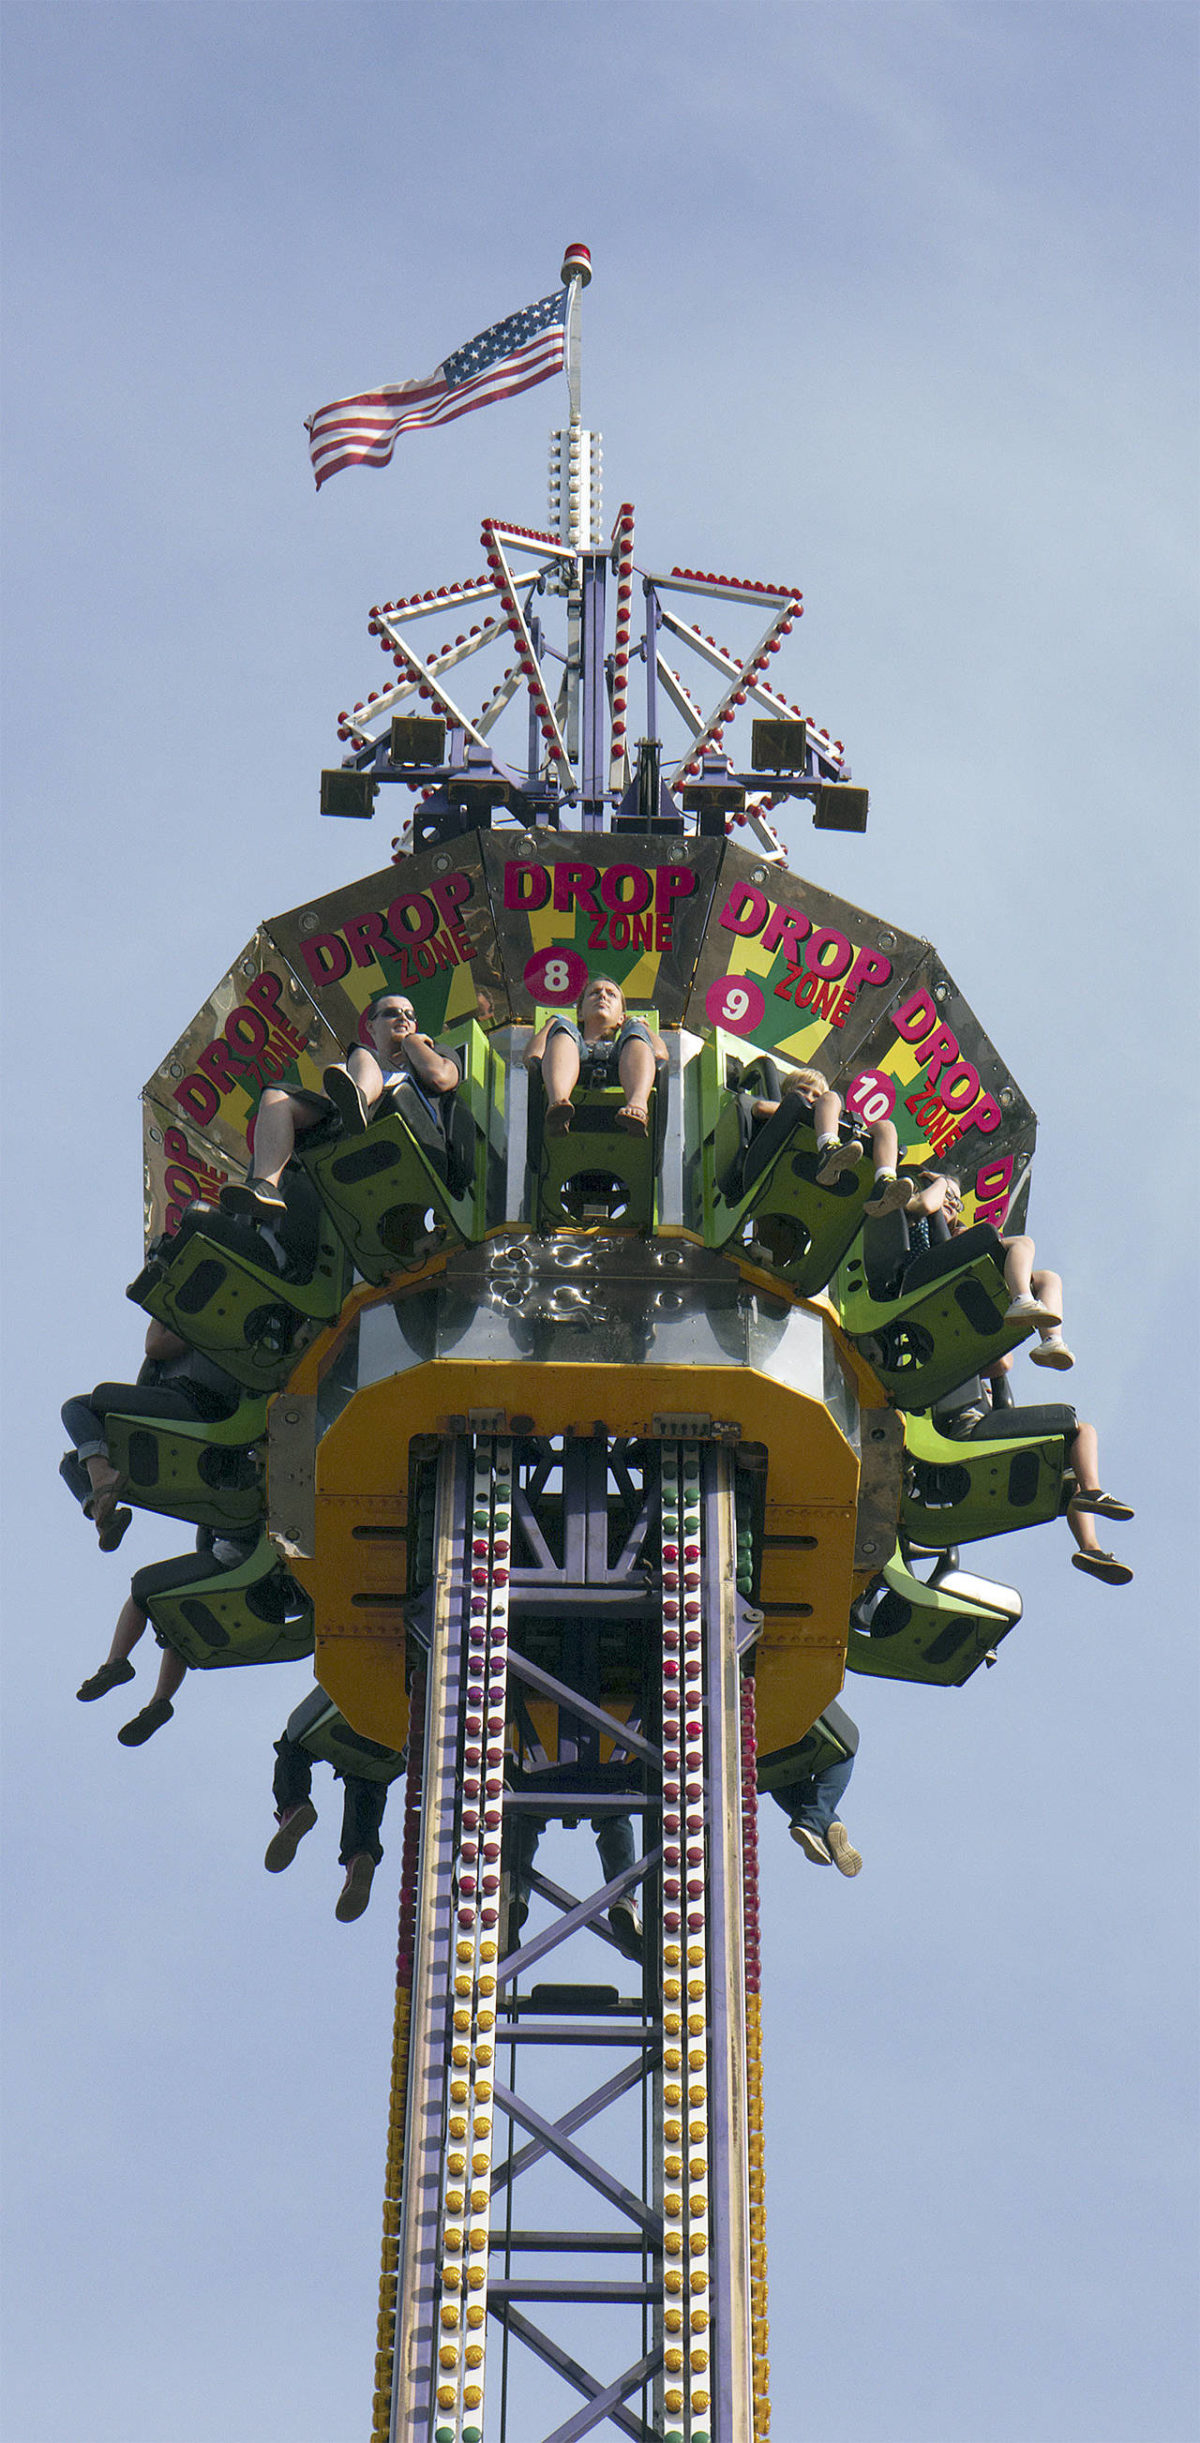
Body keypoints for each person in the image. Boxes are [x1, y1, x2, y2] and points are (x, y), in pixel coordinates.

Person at [221, 990, 460, 1223]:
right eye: (392, 1013)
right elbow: (327, 1109)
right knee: (276, 1096)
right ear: (371, 1026)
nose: (403, 1018)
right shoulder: (351, 1069)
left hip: (414, 1132)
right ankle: (265, 1186)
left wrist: (412, 1043)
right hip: (352, 1131)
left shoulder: (432, 1052)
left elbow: (441, 1077)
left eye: (410, 1015)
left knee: (360, 1054)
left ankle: (361, 1101)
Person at [61, 1323, 243, 1552]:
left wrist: (157, 1316)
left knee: (76, 1408)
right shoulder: (183, 1322)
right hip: (177, 1404)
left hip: (196, 1403)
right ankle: (104, 1514)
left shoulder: (201, 1320)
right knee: (71, 1465)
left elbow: (155, 1346)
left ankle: (103, 1482)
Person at [959, 1353, 1134, 1586]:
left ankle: (1091, 1548)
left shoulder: (970, 1378)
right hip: (972, 1435)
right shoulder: (957, 1367)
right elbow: (1002, 1363)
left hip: (986, 1437)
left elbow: (1002, 1393)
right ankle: (1093, 1492)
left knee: (1073, 1480)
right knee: (1082, 1430)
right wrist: (1005, 1341)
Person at [75, 1525, 259, 1742]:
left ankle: (116, 1662)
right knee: (180, 1623)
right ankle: (159, 1701)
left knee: (141, 1587)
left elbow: (207, 1531)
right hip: (260, 1588)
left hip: (229, 1560)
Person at [898, 1169, 1075, 1367]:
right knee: (1021, 1243)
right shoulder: (914, 1215)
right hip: (919, 1279)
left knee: (1048, 1278)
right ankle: (1021, 1299)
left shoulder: (953, 1232)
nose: (951, 1203)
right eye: (947, 1195)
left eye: (956, 1202)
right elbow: (927, 1205)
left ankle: (1051, 1342)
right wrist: (940, 1181)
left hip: (952, 1278)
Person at [265, 1717, 395, 1923]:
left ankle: (294, 1805)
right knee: (368, 1779)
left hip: (357, 1706)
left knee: (293, 1743)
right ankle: (359, 1854)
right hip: (397, 1729)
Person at [750, 1067, 914, 1219]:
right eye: (803, 1090)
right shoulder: (782, 1108)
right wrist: (796, 1109)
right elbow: (760, 1108)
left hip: (830, 1170)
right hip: (778, 1163)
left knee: (886, 1126)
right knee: (832, 1097)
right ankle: (828, 1150)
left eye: (816, 1096)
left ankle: (884, 1183)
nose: (809, 1097)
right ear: (786, 1093)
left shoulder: (827, 1117)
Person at [526, 976, 667, 1140]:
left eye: (611, 994)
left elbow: (659, 1055)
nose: (603, 996)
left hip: (621, 1064)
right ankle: (558, 1104)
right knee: (563, 1030)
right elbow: (533, 1056)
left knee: (636, 1034)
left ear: (621, 1018)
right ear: (579, 1012)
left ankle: (637, 1105)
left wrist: (638, 1025)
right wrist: (553, 1022)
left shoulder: (628, 1042)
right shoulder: (569, 1037)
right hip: (576, 1058)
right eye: (594, 993)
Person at [505, 1810, 645, 1961]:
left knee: (523, 1817)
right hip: (600, 1788)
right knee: (616, 1815)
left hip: (539, 1788)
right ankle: (623, 1898)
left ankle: (513, 1894)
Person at [768, 1700, 863, 1875]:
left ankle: (817, 1822)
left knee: (778, 1775)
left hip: (761, 1750)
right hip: (787, 1710)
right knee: (846, 1742)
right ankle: (819, 1821)